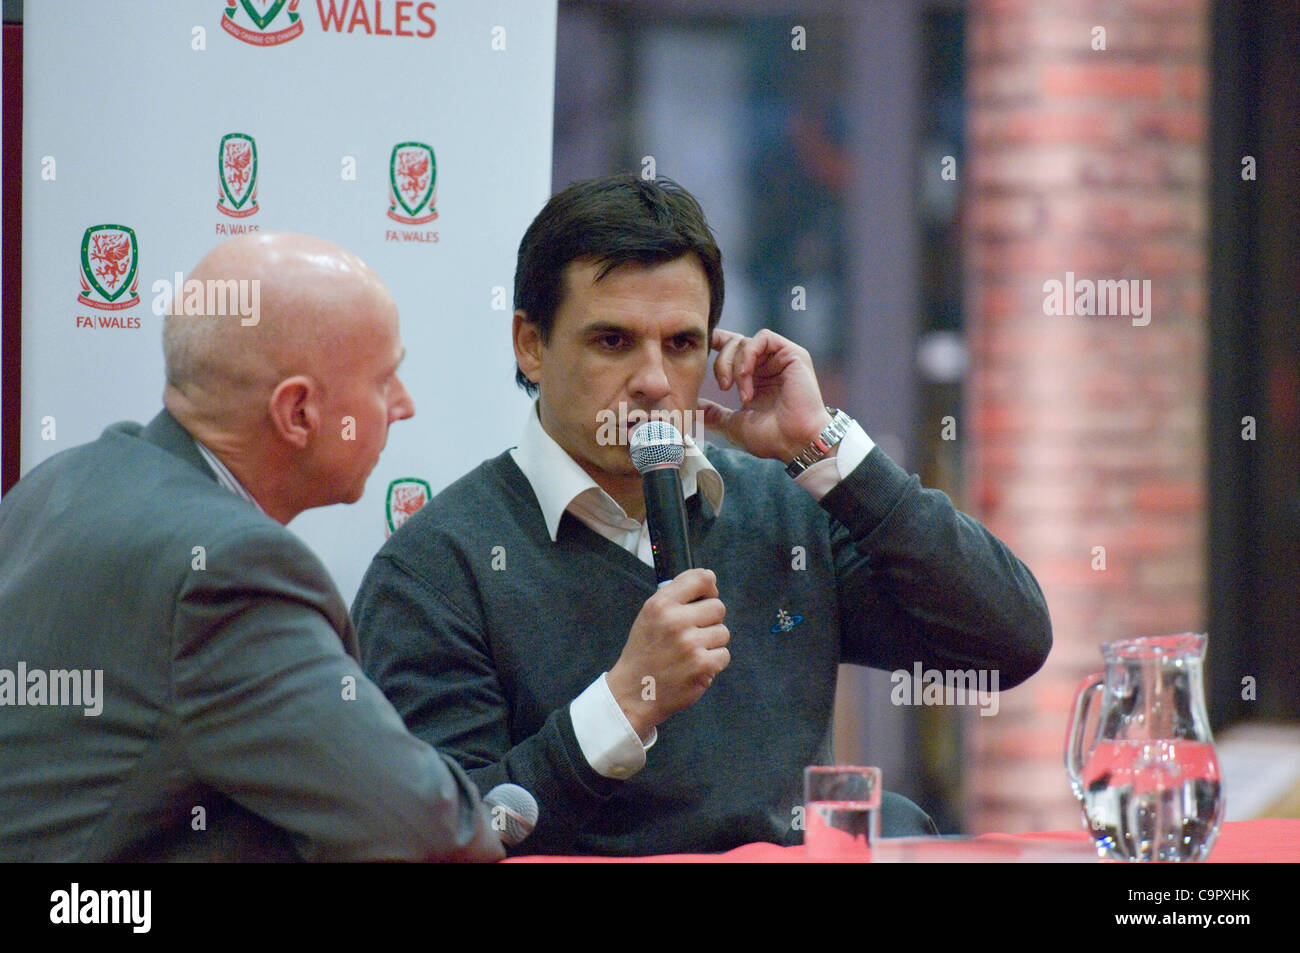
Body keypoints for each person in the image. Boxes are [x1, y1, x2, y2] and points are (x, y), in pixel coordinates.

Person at [352, 175, 1052, 856]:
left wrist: (826, 450)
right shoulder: (438, 567)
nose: (655, 382)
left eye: (682, 344)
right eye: (613, 341)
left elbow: (1008, 640)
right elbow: (444, 835)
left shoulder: (784, 506)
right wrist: (623, 705)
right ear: (530, 344)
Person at [0, 233, 503, 862]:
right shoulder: (227, 575)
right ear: (297, 413)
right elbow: (427, 834)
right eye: (384, 379)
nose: (403, 406)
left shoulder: (63, 479)